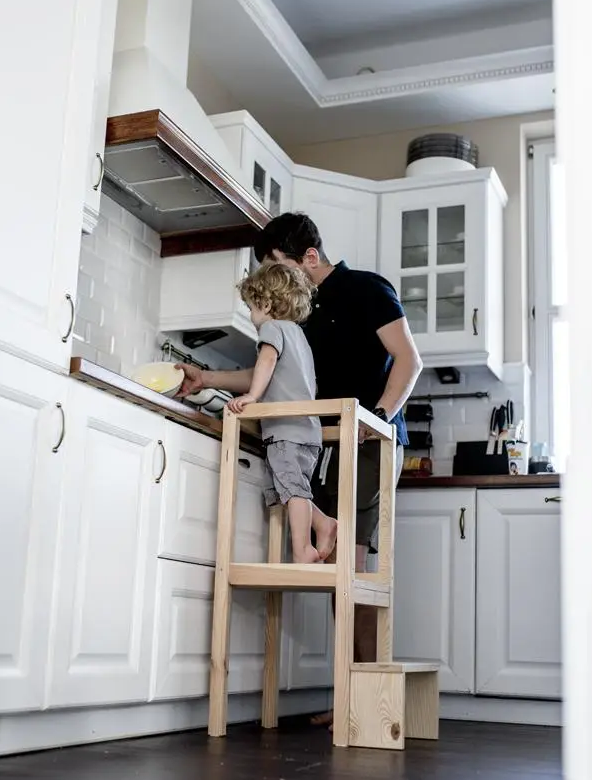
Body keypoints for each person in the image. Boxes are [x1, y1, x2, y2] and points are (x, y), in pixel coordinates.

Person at [177, 212, 422, 722]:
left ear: (309, 258)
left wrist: (376, 419)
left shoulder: (366, 290)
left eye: (278, 266)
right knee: (339, 570)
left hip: (369, 438)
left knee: (354, 568)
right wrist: (208, 378)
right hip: (322, 438)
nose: (275, 282)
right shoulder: (297, 314)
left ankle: (365, 701)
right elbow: (271, 367)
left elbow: (408, 361)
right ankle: (350, 694)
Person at [227, 261, 337, 565]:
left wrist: (252, 396)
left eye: (251, 308)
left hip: (286, 430)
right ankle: (323, 523)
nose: (251, 316)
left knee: (293, 491)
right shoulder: (299, 336)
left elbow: (267, 361)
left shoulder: (272, 328)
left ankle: (302, 549)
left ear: (264, 303)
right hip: (307, 431)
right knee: (291, 488)